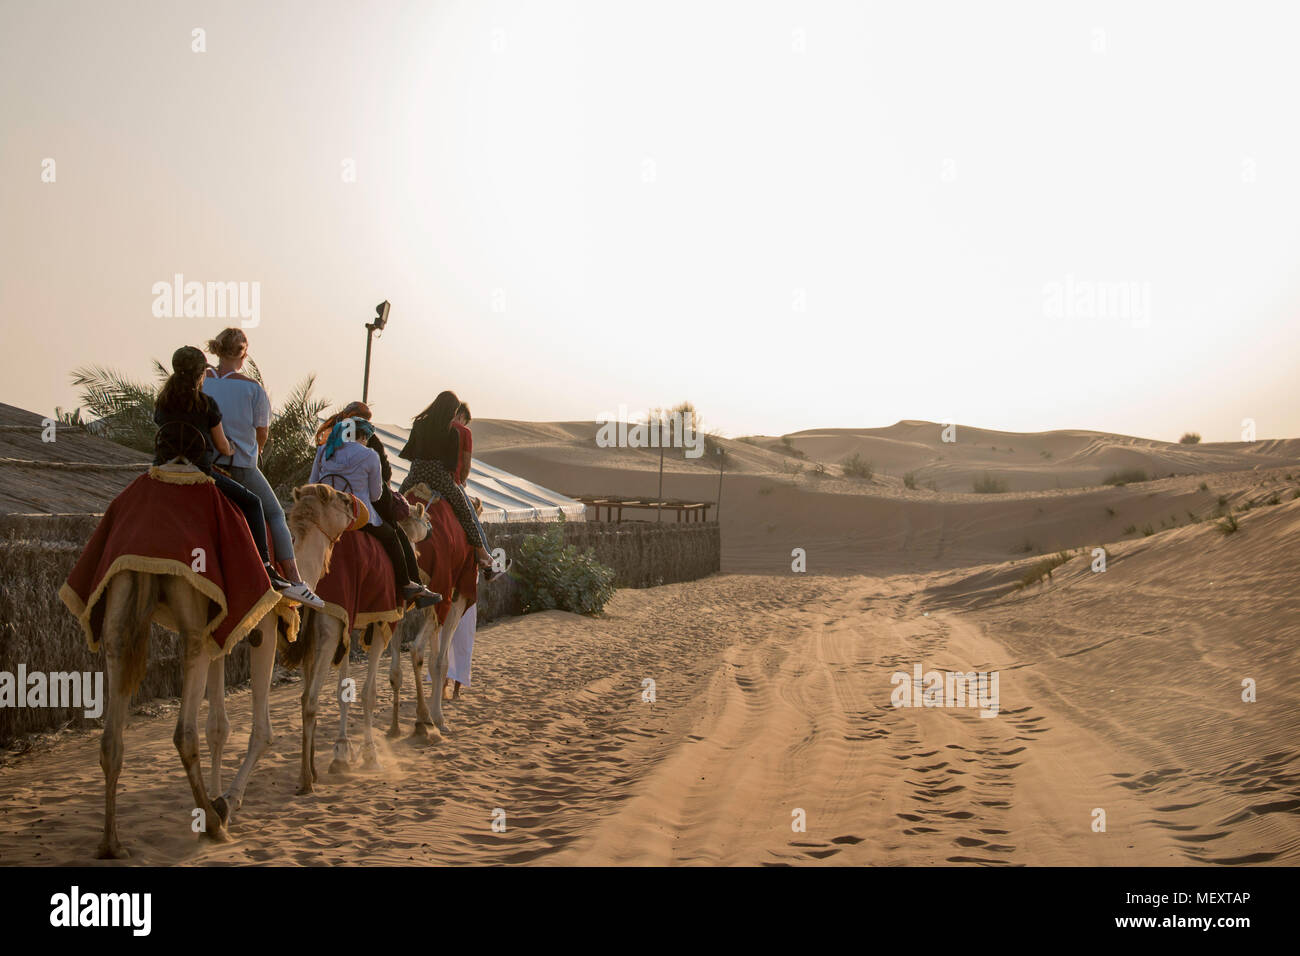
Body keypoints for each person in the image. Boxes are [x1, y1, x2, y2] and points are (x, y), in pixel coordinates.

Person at [154, 345, 323, 608]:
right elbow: (223, 446)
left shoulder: (163, 402)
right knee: (259, 506)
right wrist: (231, 449)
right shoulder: (206, 404)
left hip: (163, 471)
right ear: (201, 374)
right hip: (199, 472)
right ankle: (271, 571)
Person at [201, 328, 318, 601]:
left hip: (203, 462)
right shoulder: (253, 389)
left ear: (218, 351)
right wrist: (258, 450)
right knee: (276, 514)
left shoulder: (202, 380)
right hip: (239, 466)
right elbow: (261, 432)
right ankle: (294, 579)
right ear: (243, 355)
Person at [310, 415, 441, 610]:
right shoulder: (370, 455)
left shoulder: (323, 450)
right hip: (358, 516)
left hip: (326, 514)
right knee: (392, 537)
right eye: (366, 437)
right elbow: (376, 494)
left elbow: (312, 483)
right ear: (362, 436)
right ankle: (406, 583)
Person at [397, 390, 495, 573]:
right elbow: (451, 464)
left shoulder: (419, 424)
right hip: (439, 475)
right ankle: (483, 555)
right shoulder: (451, 432)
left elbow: (409, 452)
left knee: (397, 500)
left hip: (416, 472)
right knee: (465, 513)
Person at [450, 402, 509, 579]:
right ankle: (487, 563)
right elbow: (466, 464)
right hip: (452, 482)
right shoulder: (463, 431)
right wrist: (462, 480)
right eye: (465, 421)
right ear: (461, 416)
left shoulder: (433, 427)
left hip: (420, 479)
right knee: (471, 519)